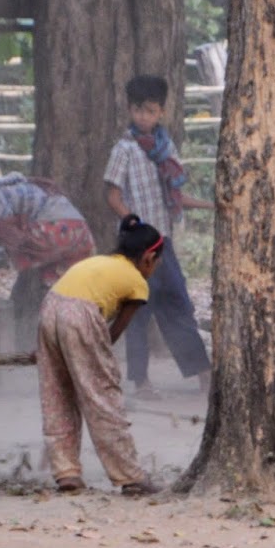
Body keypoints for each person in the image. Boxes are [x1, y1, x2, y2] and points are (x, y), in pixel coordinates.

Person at [103, 74, 213, 398]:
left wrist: (212, 205)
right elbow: (112, 195)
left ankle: (203, 373)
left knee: (178, 304)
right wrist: (132, 223)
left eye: (150, 111)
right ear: (129, 110)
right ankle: (141, 382)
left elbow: (177, 197)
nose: (143, 117)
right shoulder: (123, 149)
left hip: (163, 242)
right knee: (138, 312)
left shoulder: (166, 149)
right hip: (138, 246)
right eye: (138, 110)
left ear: (161, 112)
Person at [37, 215, 163, 496]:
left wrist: (58, 348)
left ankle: (66, 471)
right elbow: (112, 333)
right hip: (80, 317)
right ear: (149, 258)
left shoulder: (96, 262)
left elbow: (66, 303)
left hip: (50, 309)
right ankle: (130, 476)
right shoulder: (137, 283)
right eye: (157, 263)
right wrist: (92, 358)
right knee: (101, 395)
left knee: (56, 392)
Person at [0, 166, 95, 310]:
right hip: (79, 235)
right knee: (62, 291)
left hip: (56, 232)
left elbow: (0, 251)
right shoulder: (4, 189)